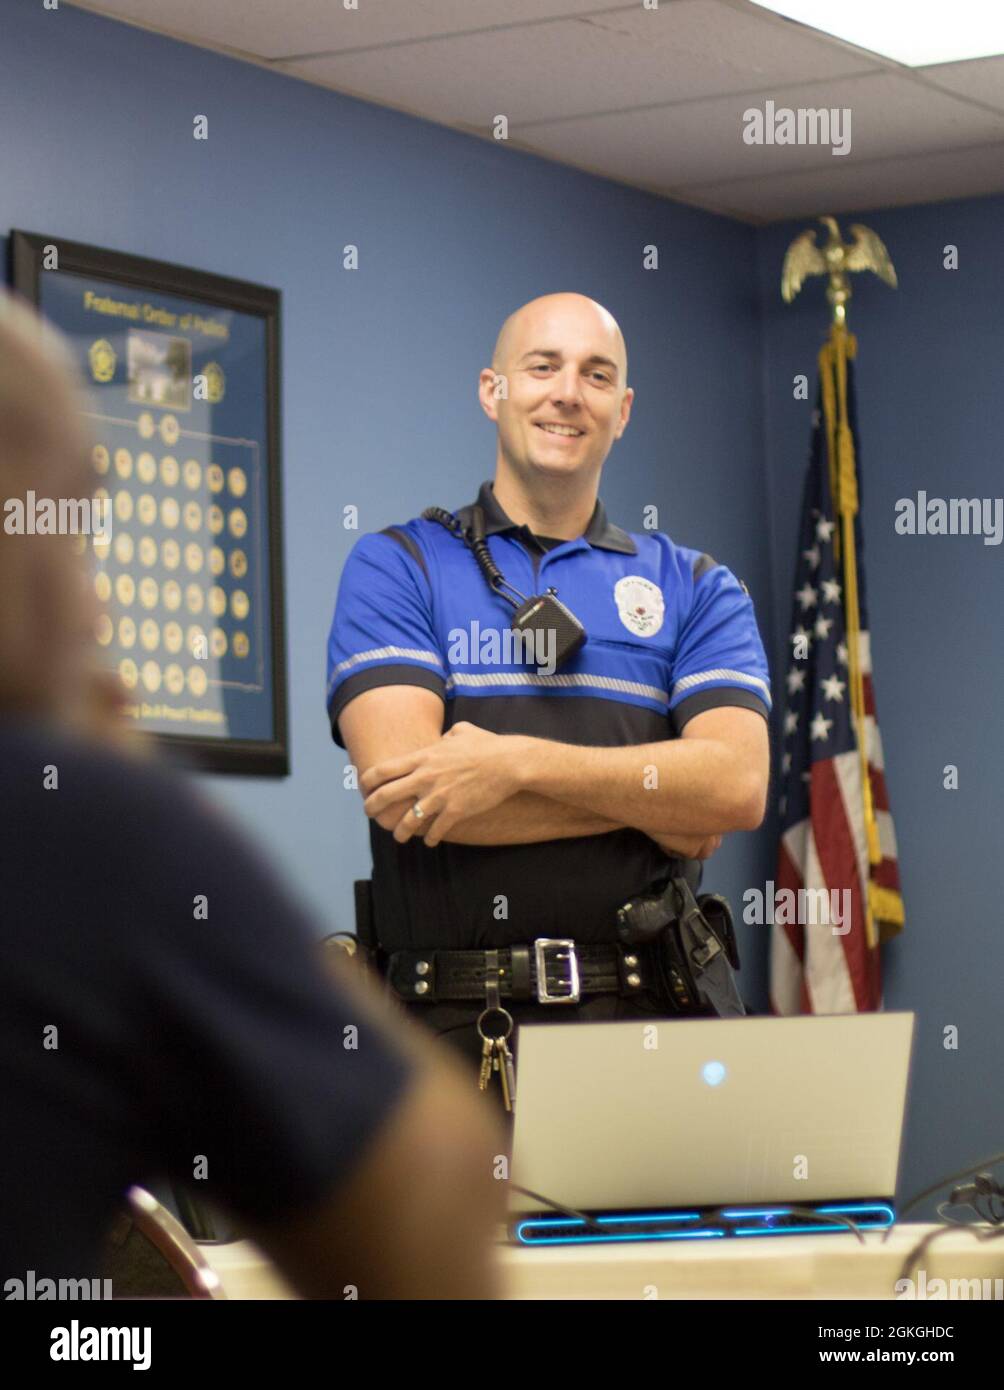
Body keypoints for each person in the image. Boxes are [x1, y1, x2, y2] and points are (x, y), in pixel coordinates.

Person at [0, 289, 504, 1301]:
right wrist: (128, 782)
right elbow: (430, 1236)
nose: (97, 603)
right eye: (75, 526)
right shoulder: (80, 828)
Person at [325, 292, 772, 1095]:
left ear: (623, 410)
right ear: (492, 391)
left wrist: (515, 765)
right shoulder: (399, 566)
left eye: (597, 375)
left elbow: (736, 788)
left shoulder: (698, 585)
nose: (569, 392)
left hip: (661, 1025)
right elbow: (411, 795)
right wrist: (660, 801)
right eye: (543, 367)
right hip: (455, 1039)